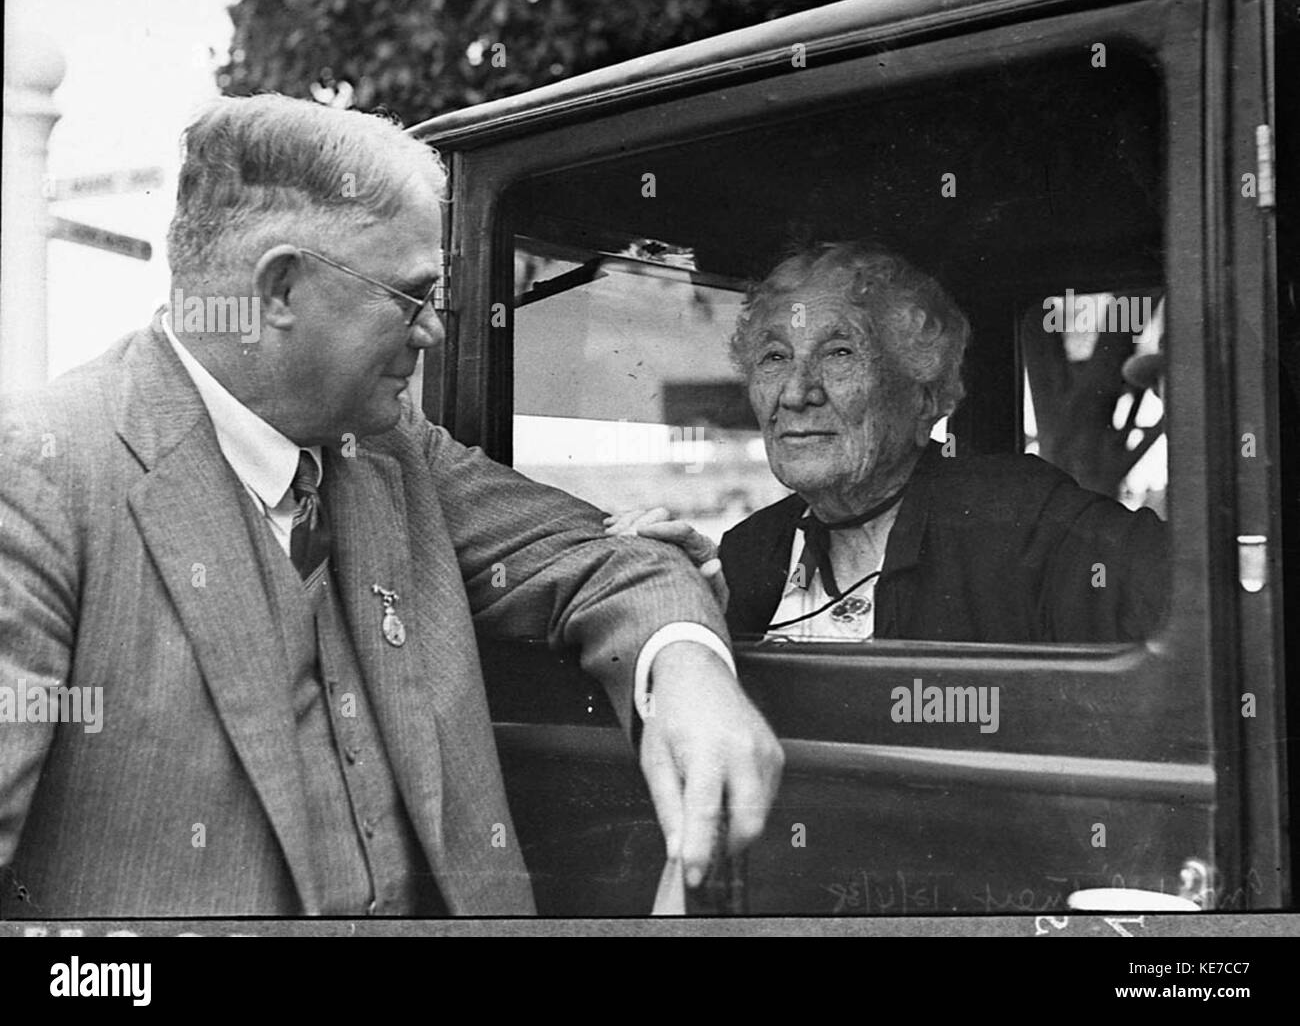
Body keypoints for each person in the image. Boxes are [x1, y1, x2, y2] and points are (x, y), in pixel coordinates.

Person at [0, 94, 782, 918]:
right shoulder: (45, 474)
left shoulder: (387, 447)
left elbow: (596, 553)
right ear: (280, 289)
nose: (433, 332)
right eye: (410, 296)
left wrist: (688, 669)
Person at [608, 242, 1167, 643]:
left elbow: (1194, 597)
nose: (797, 393)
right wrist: (689, 606)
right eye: (775, 357)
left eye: (839, 353)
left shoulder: (1027, 524)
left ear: (926, 393)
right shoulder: (748, 552)